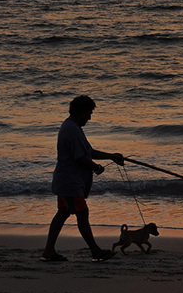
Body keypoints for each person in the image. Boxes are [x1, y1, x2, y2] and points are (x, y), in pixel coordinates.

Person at [42, 95, 125, 262]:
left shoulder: (73, 127)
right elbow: (80, 158)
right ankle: (95, 251)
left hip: (68, 180)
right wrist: (96, 167)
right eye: (89, 113)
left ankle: (49, 250)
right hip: (69, 181)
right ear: (81, 112)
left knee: (63, 213)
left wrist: (111, 156)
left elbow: (88, 152)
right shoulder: (71, 130)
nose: (90, 117)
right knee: (82, 213)